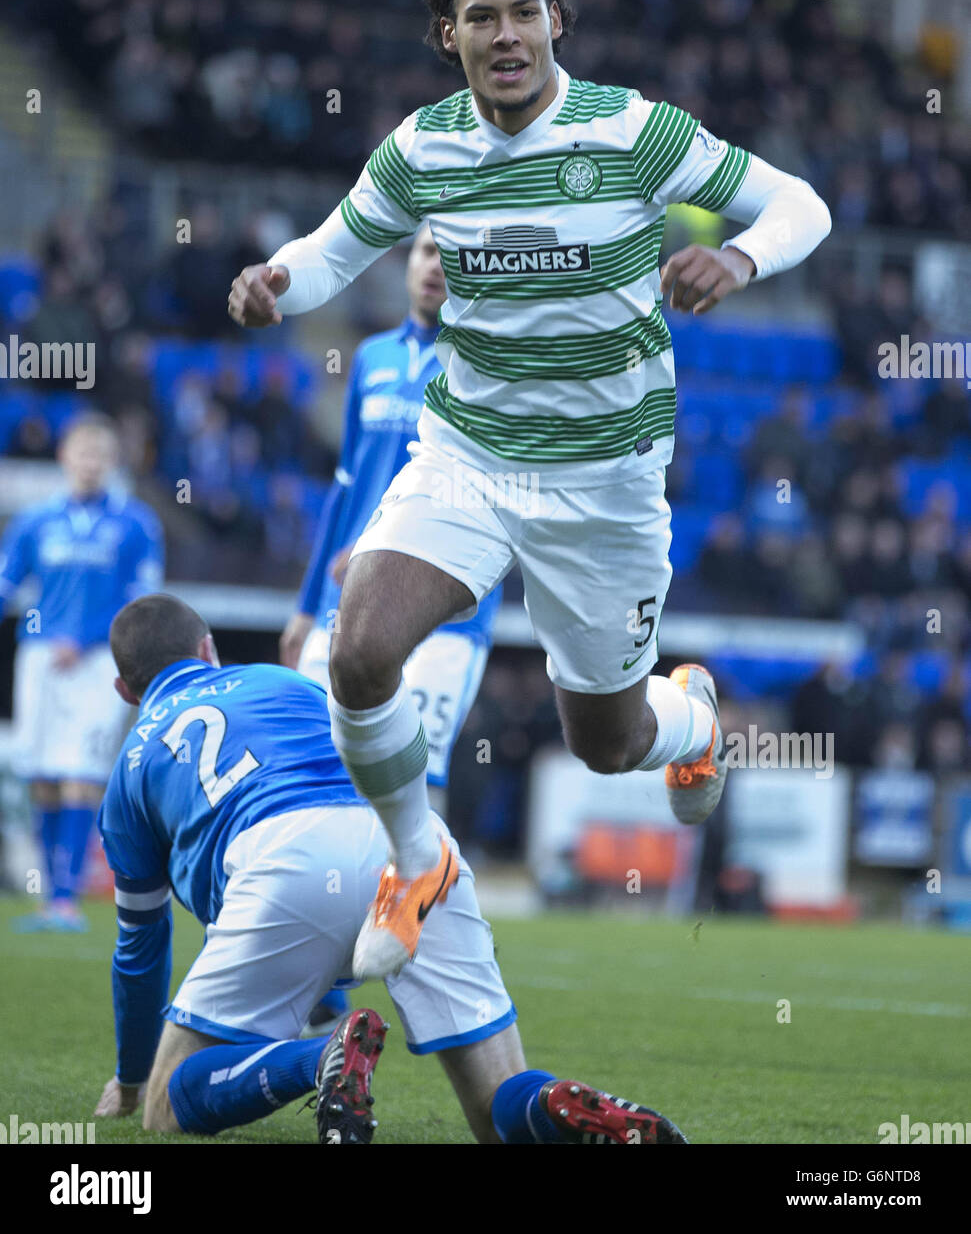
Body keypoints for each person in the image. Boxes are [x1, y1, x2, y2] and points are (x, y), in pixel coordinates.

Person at [228, 0, 832, 978]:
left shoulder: (631, 131)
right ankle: (417, 860)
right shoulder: (423, 147)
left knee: (604, 744)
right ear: (444, 36)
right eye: (479, 17)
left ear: (556, 20)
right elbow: (330, 252)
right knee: (358, 649)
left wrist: (736, 255)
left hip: (604, 482)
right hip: (466, 453)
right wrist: (275, 283)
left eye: (522, 11)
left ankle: (689, 720)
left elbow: (801, 203)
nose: (504, 33)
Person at [93, 594, 686, 1146]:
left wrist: (130, 1076)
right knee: (496, 1111)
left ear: (123, 689)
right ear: (207, 650)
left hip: (284, 856)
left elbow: (140, 948)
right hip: (414, 846)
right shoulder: (281, 680)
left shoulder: (129, 769)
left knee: (166, 1104)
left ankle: (319, 1058)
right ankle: (553, 1099)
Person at [280, 223, 501, 806]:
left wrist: (384, 541)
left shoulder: (489, 367)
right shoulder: (371, 358)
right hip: (343, 595)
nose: (436, 267)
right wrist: (304, 609)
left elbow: (485, 488)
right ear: (407, 263)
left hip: (445, 603)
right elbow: (345, 487)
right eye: (428, 252)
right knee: (315, 762)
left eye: (453, 259)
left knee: (415, 776)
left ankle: (424, 895)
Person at [0, 414, 163, 931]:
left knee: (80, 773)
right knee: (42, 773)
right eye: (81, 455)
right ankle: (51, 897)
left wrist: (88, 638)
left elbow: (141, 597)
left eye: (99, 457)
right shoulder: (35, 521)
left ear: (111, 463)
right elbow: (8, 581)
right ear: (64, 459)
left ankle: (67, 899)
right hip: (41, 659)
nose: (89, 466)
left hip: (97, 663)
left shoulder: (136, 523)